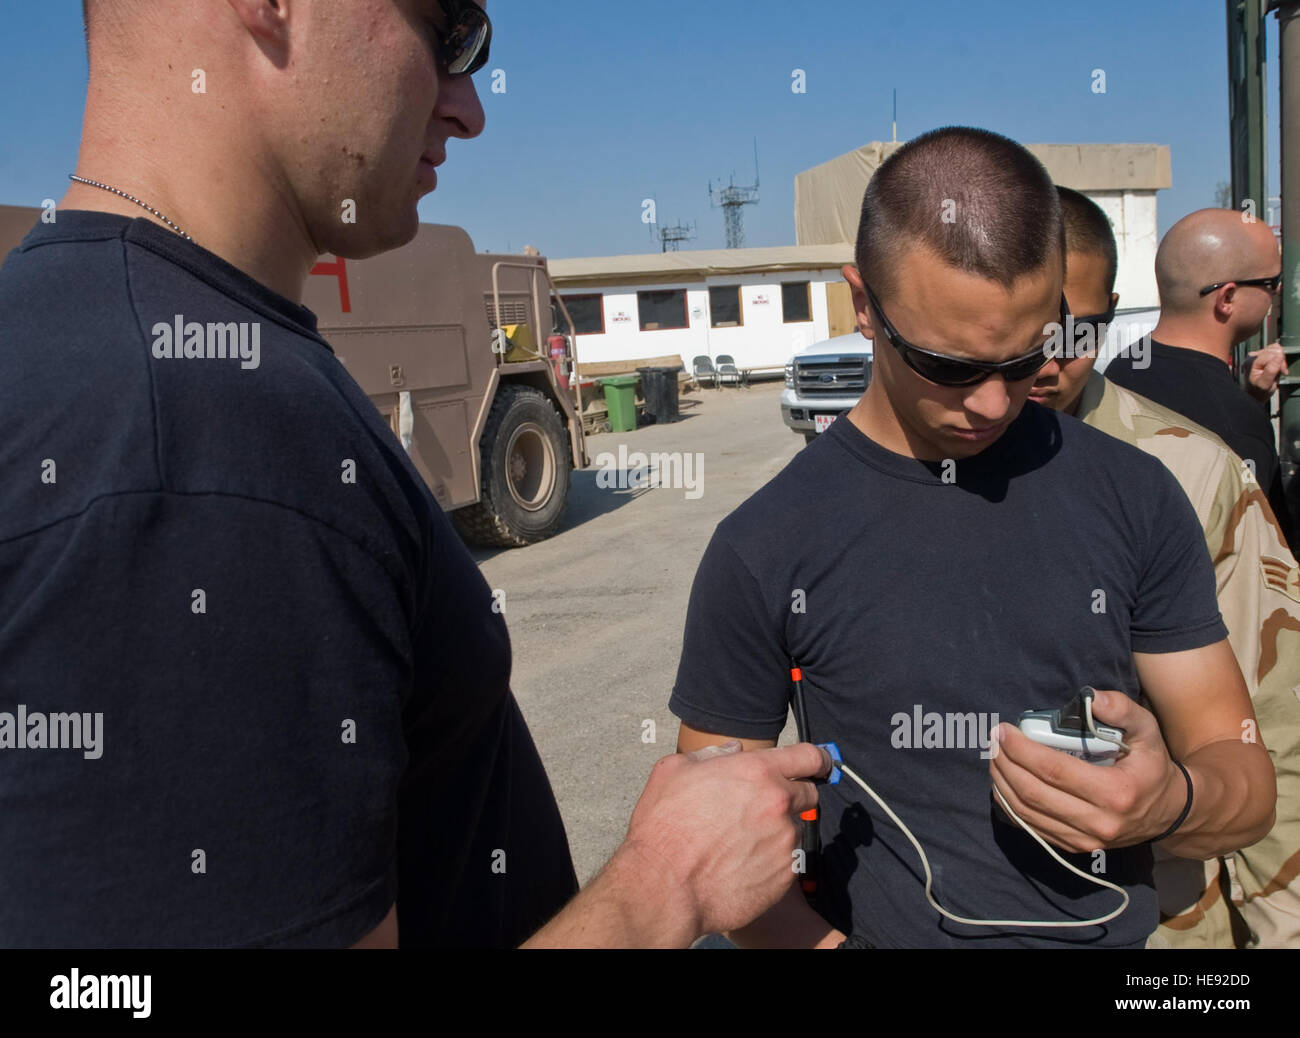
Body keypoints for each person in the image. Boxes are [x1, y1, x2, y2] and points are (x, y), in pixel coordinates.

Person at [0, 0, 830, 949]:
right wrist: (665, 886)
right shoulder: (198, 435)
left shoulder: (90, 345)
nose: (469, 106)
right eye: (449, 33)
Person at [670, 126, 1275, 949]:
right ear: (863, 306)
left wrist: (1172, 802)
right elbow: (712, 844)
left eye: (1030, 355)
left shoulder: (1137, 494)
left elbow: (1243, 773)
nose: (994, 403)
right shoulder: (766, 546)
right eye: (951, 365)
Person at [1031, 186, 1300, 948]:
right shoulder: (900, 473)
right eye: (1024, 330)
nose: (1049, 360)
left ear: (1113, 308)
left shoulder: (1191, 474)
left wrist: (1283, 926)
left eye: (1077, 331)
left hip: (1163, 922)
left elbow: (1273, 721)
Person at [1104, 208, 1296, 553]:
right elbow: (1253, 567)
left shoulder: (1124, 366)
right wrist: (1244, 411)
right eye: (1270, 283)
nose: (1276, 292)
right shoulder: (1238, 427)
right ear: (1228, 298)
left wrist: (1248, 397)